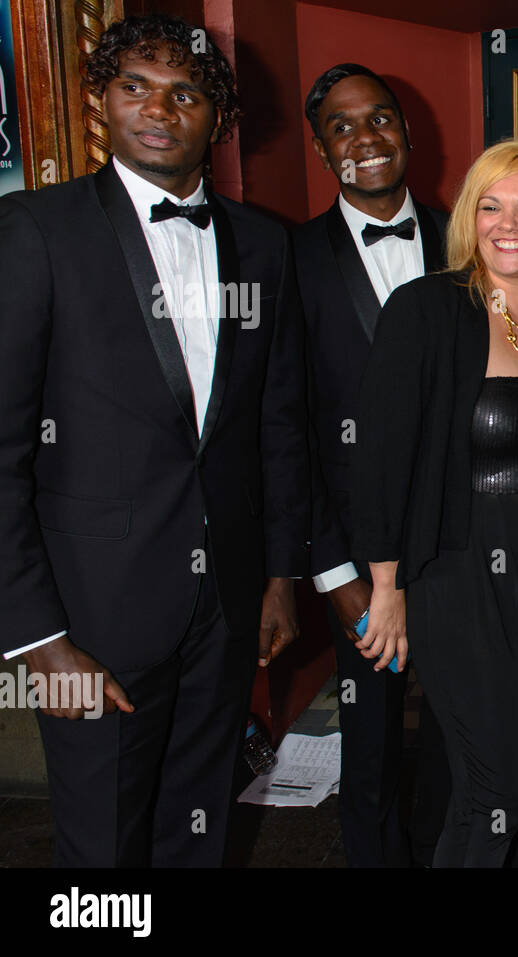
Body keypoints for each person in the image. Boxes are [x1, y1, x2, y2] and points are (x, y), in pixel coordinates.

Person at [0, 14, 309, 866]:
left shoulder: (263, 244)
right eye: (134, 85)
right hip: (92, 615)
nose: (159, 109)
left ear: (219, 117)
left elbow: (276, 428)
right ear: (101, 102)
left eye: (186, 93)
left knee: (198, 823)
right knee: (99, 843)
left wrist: (279, 579)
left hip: (228, 606)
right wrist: (38, 639)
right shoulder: (36, 230)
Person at [350, 139, 518, 868]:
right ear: (469, 217)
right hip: (465, 574)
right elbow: (379, 462)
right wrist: (387, 585)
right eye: (490, 205)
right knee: (499, 784)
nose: (509, 222)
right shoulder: (428, 310)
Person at [295, 62, 451, 868]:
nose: (366, 138)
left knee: (464, 735)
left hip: (465, 540)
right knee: (373, 737)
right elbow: (288, 428)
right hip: (357, 550)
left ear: (408, 129)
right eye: (343, 127)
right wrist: (331, 572)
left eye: (380, 118)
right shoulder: (291, 259)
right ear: (325, 152)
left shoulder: (470, 237)